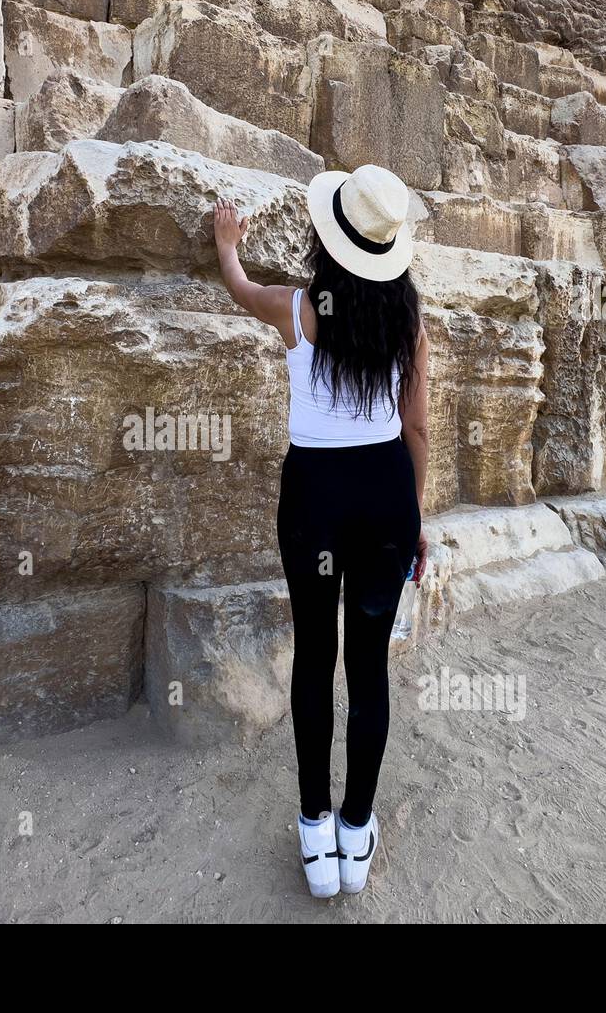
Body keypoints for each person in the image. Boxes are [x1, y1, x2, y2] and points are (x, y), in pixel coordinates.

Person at [212, 164, 429, 898]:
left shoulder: (298, 309)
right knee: (369, 669)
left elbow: (240, 289)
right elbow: (419, 429)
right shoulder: (408, 324)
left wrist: (227, 243)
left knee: (314, 657)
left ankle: (313, 833)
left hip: (316, 500)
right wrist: (416, 517)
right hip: (386, 497)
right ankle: (356, 831)